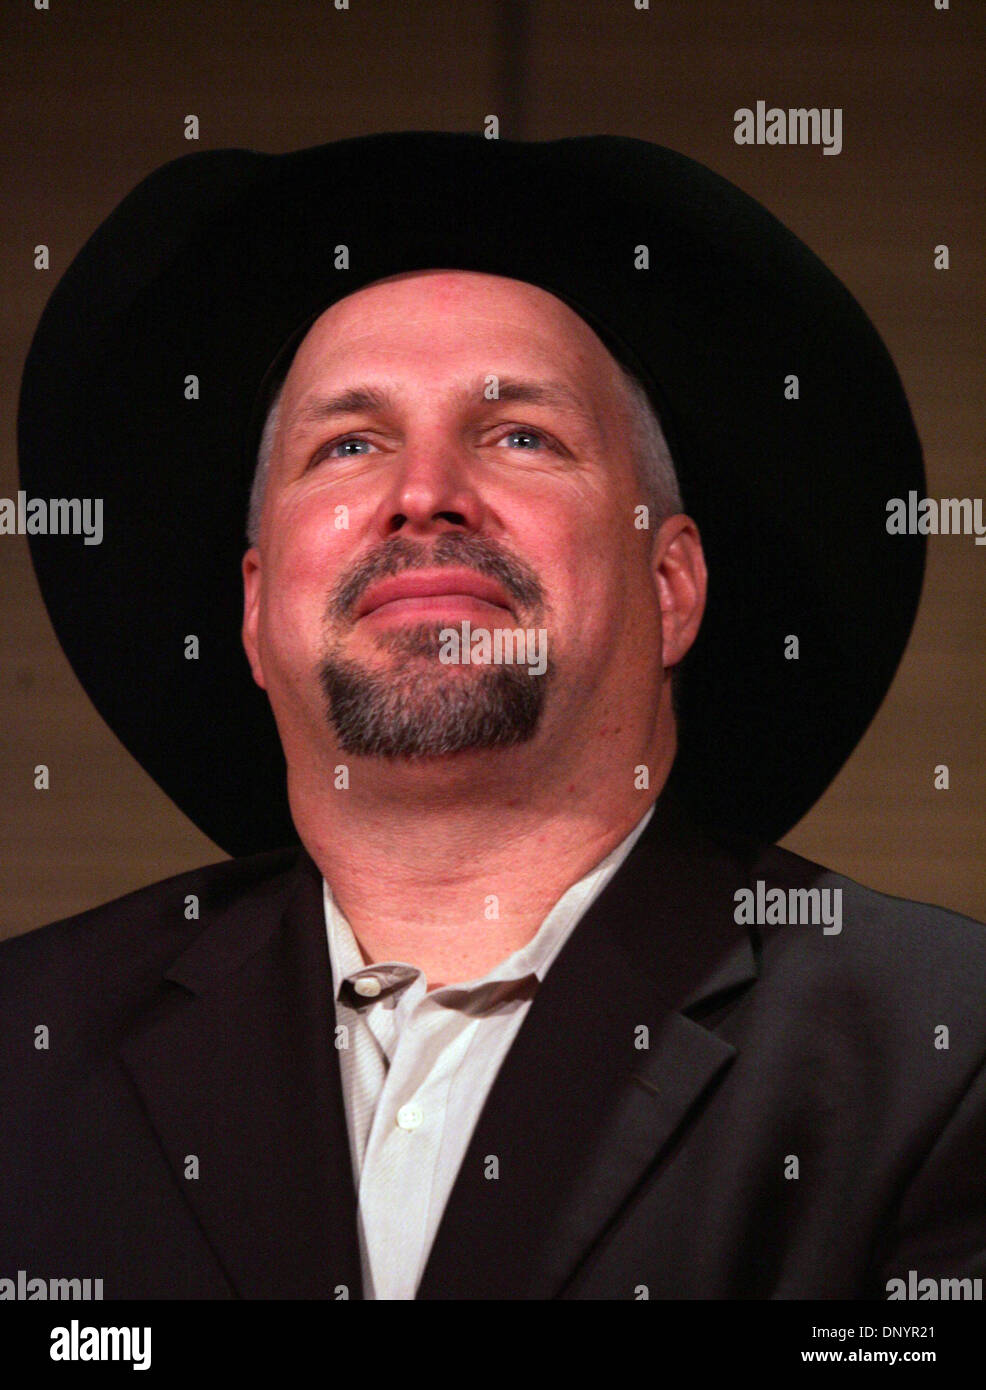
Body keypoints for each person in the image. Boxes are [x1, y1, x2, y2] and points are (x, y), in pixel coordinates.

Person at [2, 132, 984, 1301]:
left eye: (521, 435)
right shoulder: (24, 1048)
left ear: (669, 588)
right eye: (348, 444)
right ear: (258, 609)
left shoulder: (944, 1048)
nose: (423, 495)